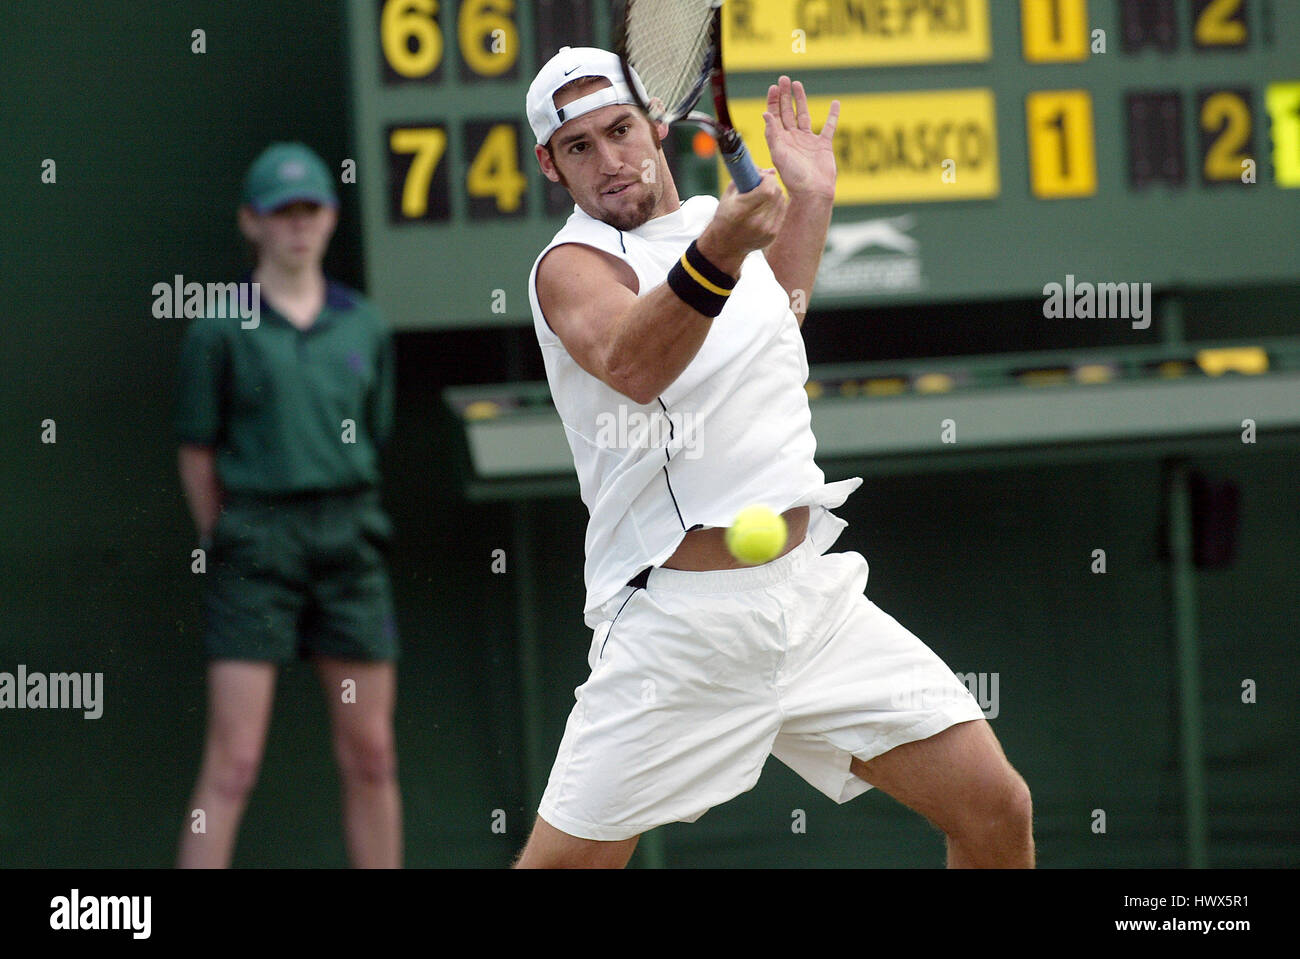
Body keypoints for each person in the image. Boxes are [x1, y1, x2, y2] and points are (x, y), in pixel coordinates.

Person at [514, 48, 1034, 868]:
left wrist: (812, 203)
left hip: (811, 602)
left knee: (996, 808)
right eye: (579, 146)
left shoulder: (709, 229)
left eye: (620, 131)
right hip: (680, 628)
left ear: (656, 127)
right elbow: (632, 362)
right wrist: (719, 249)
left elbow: (771, 328)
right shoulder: (570, 267)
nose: (610, 161)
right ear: (551, 163)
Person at [173, 143, 402, 868]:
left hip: (349, 544)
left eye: (310, 210)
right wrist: (230, 536)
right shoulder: (217, 328)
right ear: (252, 222)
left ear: (331, 219)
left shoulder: (364, 325)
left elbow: (375, 428)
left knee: (371, 754)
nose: (297, 227)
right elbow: (197, 451)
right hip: (256, 547)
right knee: (233, 760)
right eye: (281, 213)